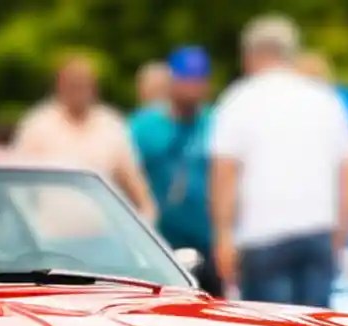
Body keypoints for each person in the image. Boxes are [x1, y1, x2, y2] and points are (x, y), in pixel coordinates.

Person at [208, 15, 348, 307]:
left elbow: (224, 174)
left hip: (262, 235)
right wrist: (342, 233)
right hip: (318, 231)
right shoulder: (325, 100)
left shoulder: (239, 101)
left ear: (251, 55)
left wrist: (223, 236)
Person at [13, 54, 156, 223]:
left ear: (95, 88)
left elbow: (135, 186)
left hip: (102, 237)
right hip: (47, 236)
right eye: (73, 84)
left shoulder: (111, 126)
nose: (79, 90)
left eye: (84, 84)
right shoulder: (37, 125)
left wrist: (145, 224)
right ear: (59, 85)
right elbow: (17, 187)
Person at [130, 46, 219, 294]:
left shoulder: (216, 124)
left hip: (207, 241)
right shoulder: (143, 127)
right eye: (186, 80)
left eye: (199, 81)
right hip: (158, 243)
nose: (193, 87)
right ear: (171, 82)